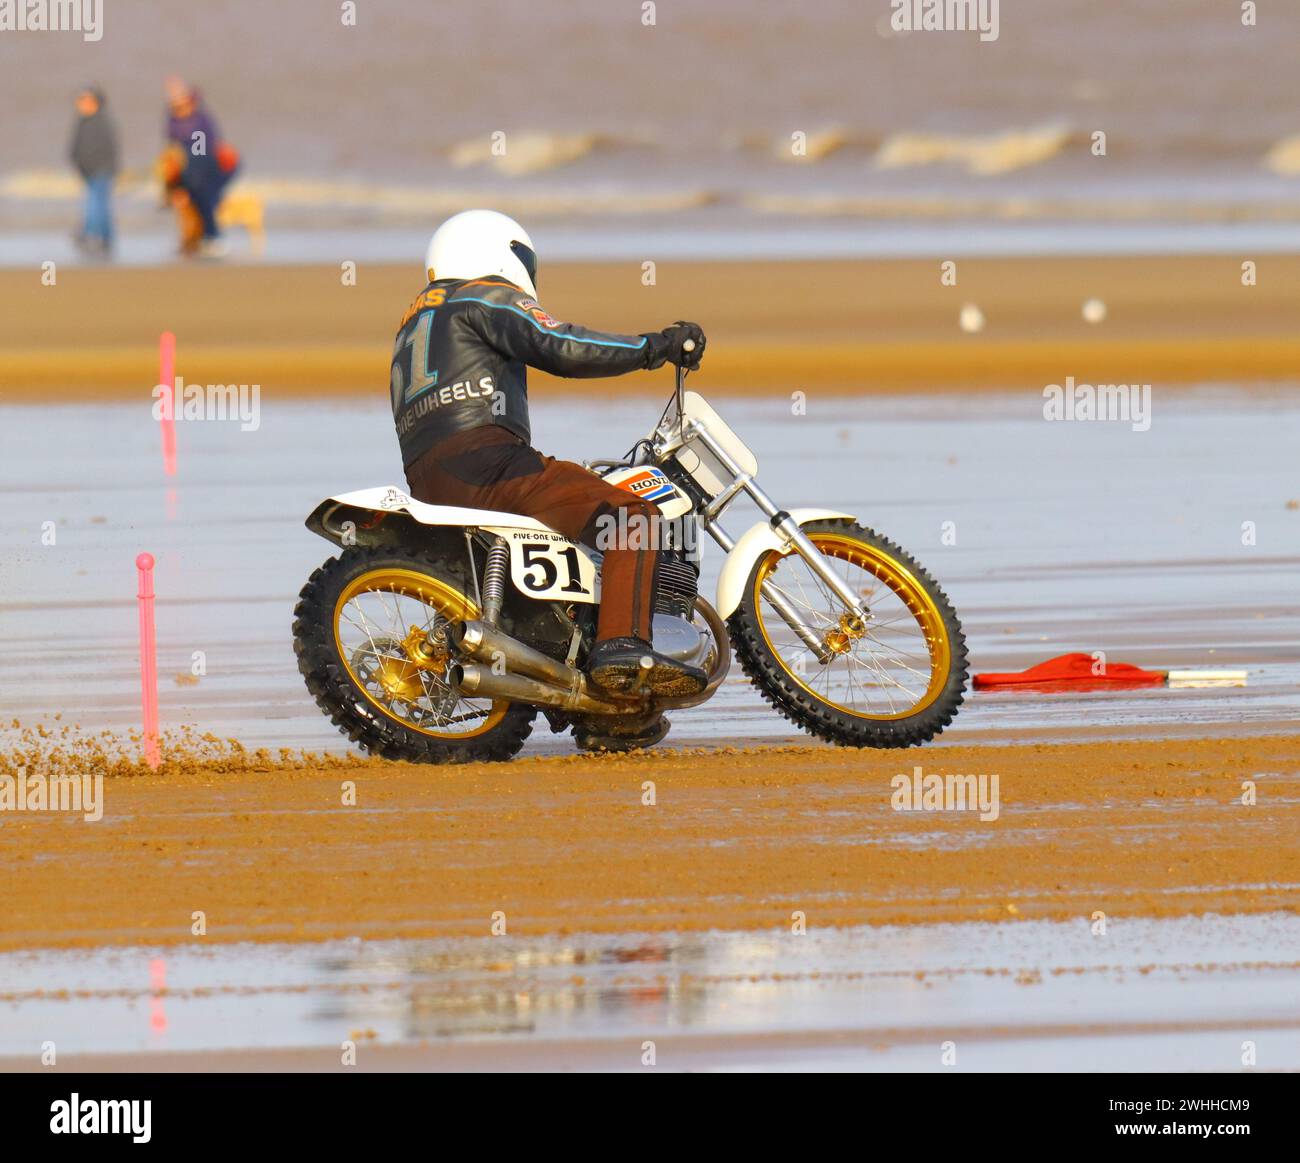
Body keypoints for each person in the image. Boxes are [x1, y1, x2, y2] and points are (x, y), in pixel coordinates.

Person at [397, 209, 708, 696]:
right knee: (632, 519)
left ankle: (596, 700)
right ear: (496, 251)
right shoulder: (483, 295)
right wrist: (657, 346)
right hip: (489, 460)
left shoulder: (417, 321)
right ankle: (623, 649)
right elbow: (562, 345)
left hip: (430, 477)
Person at [163, 77, 238, 257]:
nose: (178, 106)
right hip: (192, 169)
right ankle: (196, 240)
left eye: (182, 101)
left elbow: (200, 152)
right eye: (175, 103)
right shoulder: (174, 122)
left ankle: (213, 239)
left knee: (206, 199)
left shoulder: (199, 122)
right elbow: (172, 147)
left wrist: (188, 175)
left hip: (214, 167)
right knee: (190, 202)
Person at [68, 86, 118, 256]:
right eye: (81, 100)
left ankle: (95, 236)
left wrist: (108, 168)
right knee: (96, 205)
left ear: (95, 103)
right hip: (87, 171)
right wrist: (77, 163)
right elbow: (75, 146)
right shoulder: (82, 122)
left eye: (86, 100)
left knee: (96, 205)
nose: (82, 104)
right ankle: (101, 237)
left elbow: (110, 148)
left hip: (102, 171)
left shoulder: (102, 122)